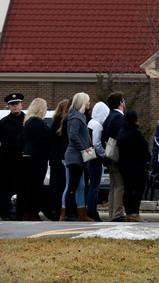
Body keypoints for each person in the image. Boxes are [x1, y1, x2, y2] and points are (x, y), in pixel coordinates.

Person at [0, 93, 26, 220]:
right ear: (9, 106)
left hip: (23, 162)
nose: (15, 106)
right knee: (5, 189)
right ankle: (6, 214)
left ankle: (21, 213)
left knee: (23, 189)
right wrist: (2, 156)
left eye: (17, 104)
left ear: (21, 105)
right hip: (7, 163)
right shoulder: (4, 122)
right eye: (12, 104)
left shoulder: (27, 120)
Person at [64, 92, 94, 222]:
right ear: (82, 102)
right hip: (75, 157)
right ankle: (69, 214)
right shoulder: (77, 117)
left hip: (78, 157)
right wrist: (84, 149)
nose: (89, 103)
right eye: (87, 101)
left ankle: (76, 213)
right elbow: (73, 136)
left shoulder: (78, 116)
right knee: (73, 186)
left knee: (77, 185)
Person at [117, 110, 149, 222]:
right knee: (138, 190)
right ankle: (135, 213)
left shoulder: (122, 132)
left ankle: (129, 212)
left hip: (124, 166)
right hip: (137, 166)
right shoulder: (135, 133)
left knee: (128, 189)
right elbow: (144, 149)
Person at [21, 98, 50, 221]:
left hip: (30, 157)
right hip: (38, 158)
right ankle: (32, 212)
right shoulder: (38, 122)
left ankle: (30, 212)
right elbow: (42, 141)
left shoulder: (28, 121)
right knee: (36, 186)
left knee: (31, 185)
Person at [101, 91, 127, 222]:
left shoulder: (109, 116)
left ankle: (112, 213)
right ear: (121, 102)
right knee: (119, 185)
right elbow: (120, 137)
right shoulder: (118, 117)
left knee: (113, 186)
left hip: (109, 156)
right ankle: (117, 214)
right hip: (116, 157)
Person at [85, 101, 110, 221]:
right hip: (95, 158)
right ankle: (92, 211)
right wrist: (104, 154)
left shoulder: (90, 122)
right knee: (95, 186)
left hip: (88, 156)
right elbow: (96, 143)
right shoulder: (98, 126)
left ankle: (90, 209)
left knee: (91, 185)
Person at [49, 99, 69, 221]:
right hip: (62, 160)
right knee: (63, 187)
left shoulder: (53, 123)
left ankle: (55, 211)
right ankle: (63, 211)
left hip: (54, 161)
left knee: (55, 188)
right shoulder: (64, 124)